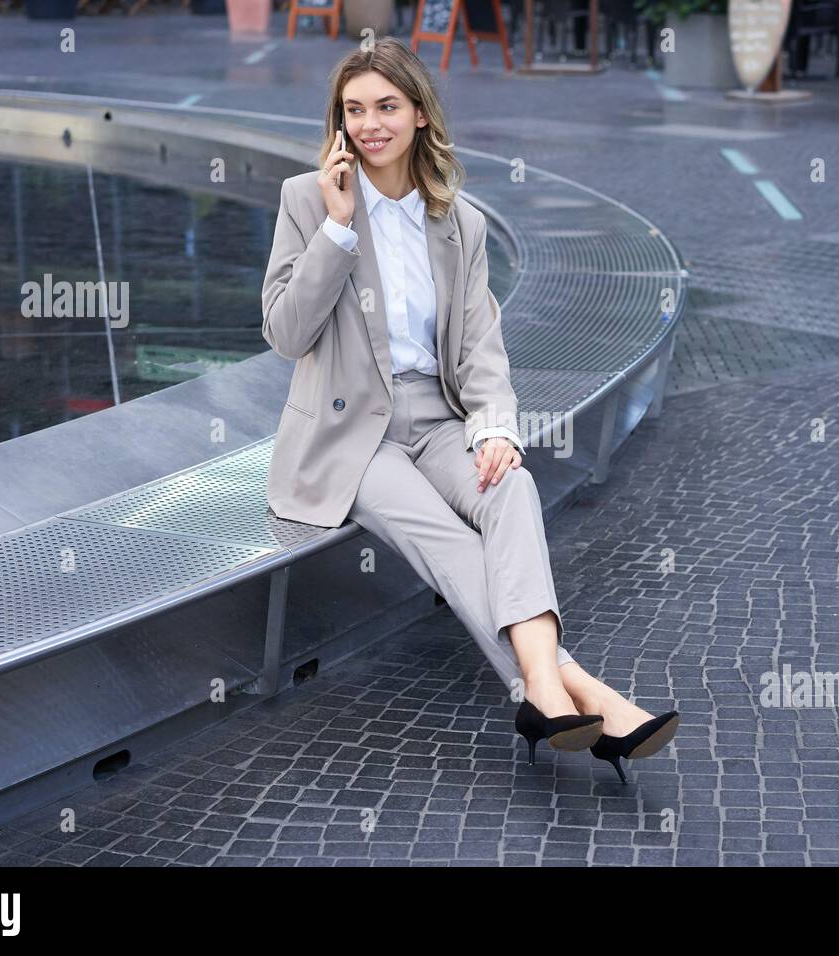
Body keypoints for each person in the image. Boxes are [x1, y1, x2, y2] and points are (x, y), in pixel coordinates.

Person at [261, 37, 677, 781]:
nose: (370, 125)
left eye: (387, 106)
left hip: (437, 418)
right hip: (350, 435)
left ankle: (547, 695)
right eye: (354, 110)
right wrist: (336, 226)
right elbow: (288, 333)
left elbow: (482, 348)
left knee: (511, 484)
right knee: (448, 543)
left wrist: (492, 430)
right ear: (338, 123)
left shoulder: (459, 221)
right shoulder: (307, 201)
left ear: (420, 113)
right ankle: (571, 690)